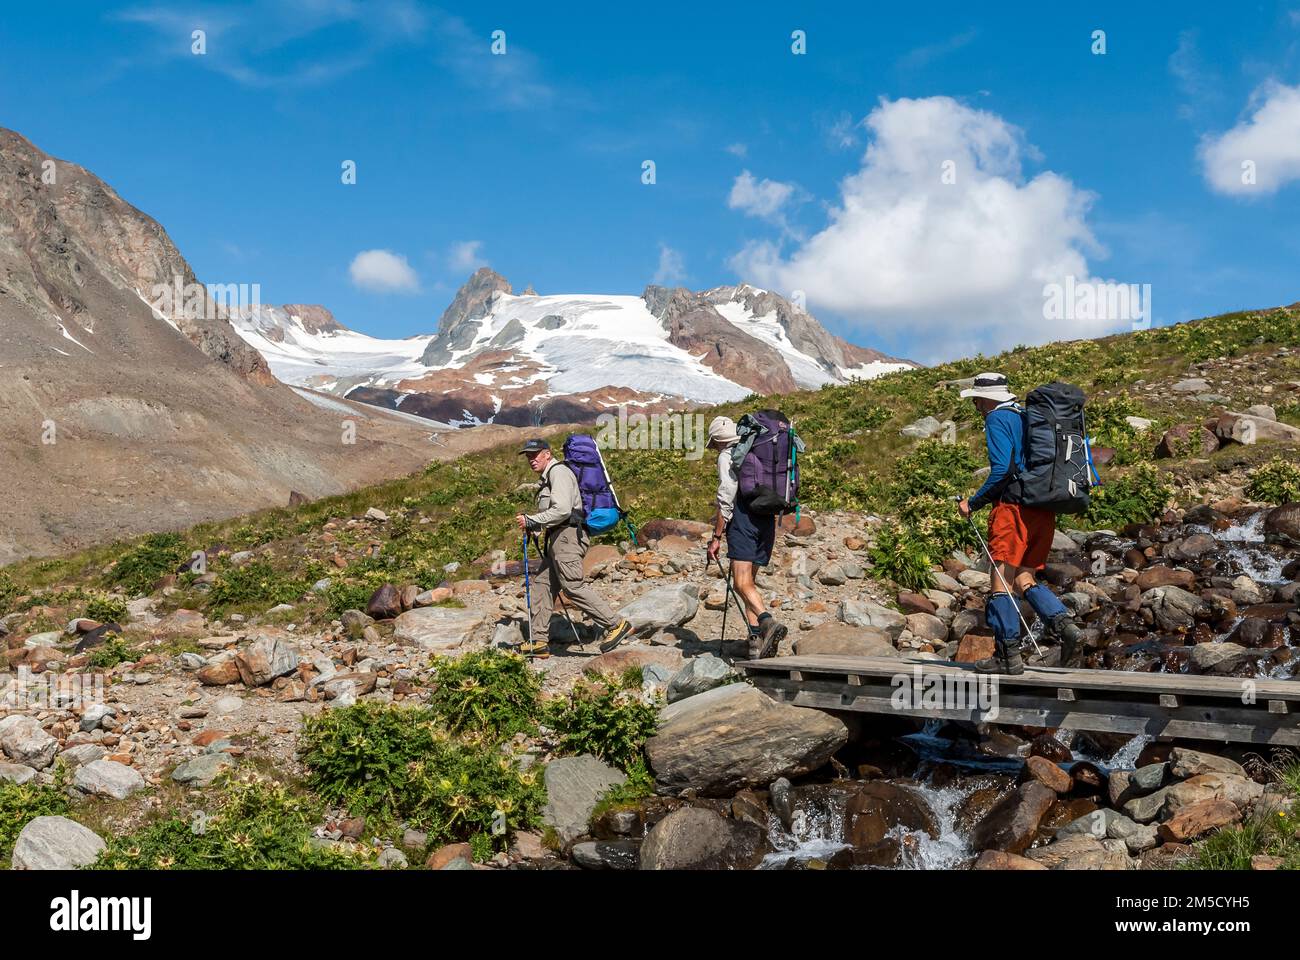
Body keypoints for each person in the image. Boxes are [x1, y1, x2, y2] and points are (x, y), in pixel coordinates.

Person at [957, 372, 1083, 675]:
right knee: (1026, 578)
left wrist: (972, 503)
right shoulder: (1029, 416)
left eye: (976, 399)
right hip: (1043, 508)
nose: (975, 405)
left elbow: (1002, 469)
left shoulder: (997, 419)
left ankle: (1007, 656)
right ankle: (1066, 628)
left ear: (988, 399)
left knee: (1001, 577)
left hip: (1013, 508)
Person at [514, 439, 632, 658]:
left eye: (535, 454)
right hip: (558, 539)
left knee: (572, 586)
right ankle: (538, 640)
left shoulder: (558, 472)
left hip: (568, 538)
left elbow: (562, 509)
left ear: (547, 454)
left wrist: (532, 520)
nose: (531, 459)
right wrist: (536, 528)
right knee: (541, 585)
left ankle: (616, 624)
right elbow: (555, 513)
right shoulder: (550, 476)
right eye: (528, 456)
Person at [705, 416, 786, 659]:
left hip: (744, 521)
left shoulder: (728, 455)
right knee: (749, 582)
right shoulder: (758, 450)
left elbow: (726, 497)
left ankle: (767, 622)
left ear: (719, 441)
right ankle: (756, 644)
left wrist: (717, 535)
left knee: (740, 583)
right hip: (766, 520)